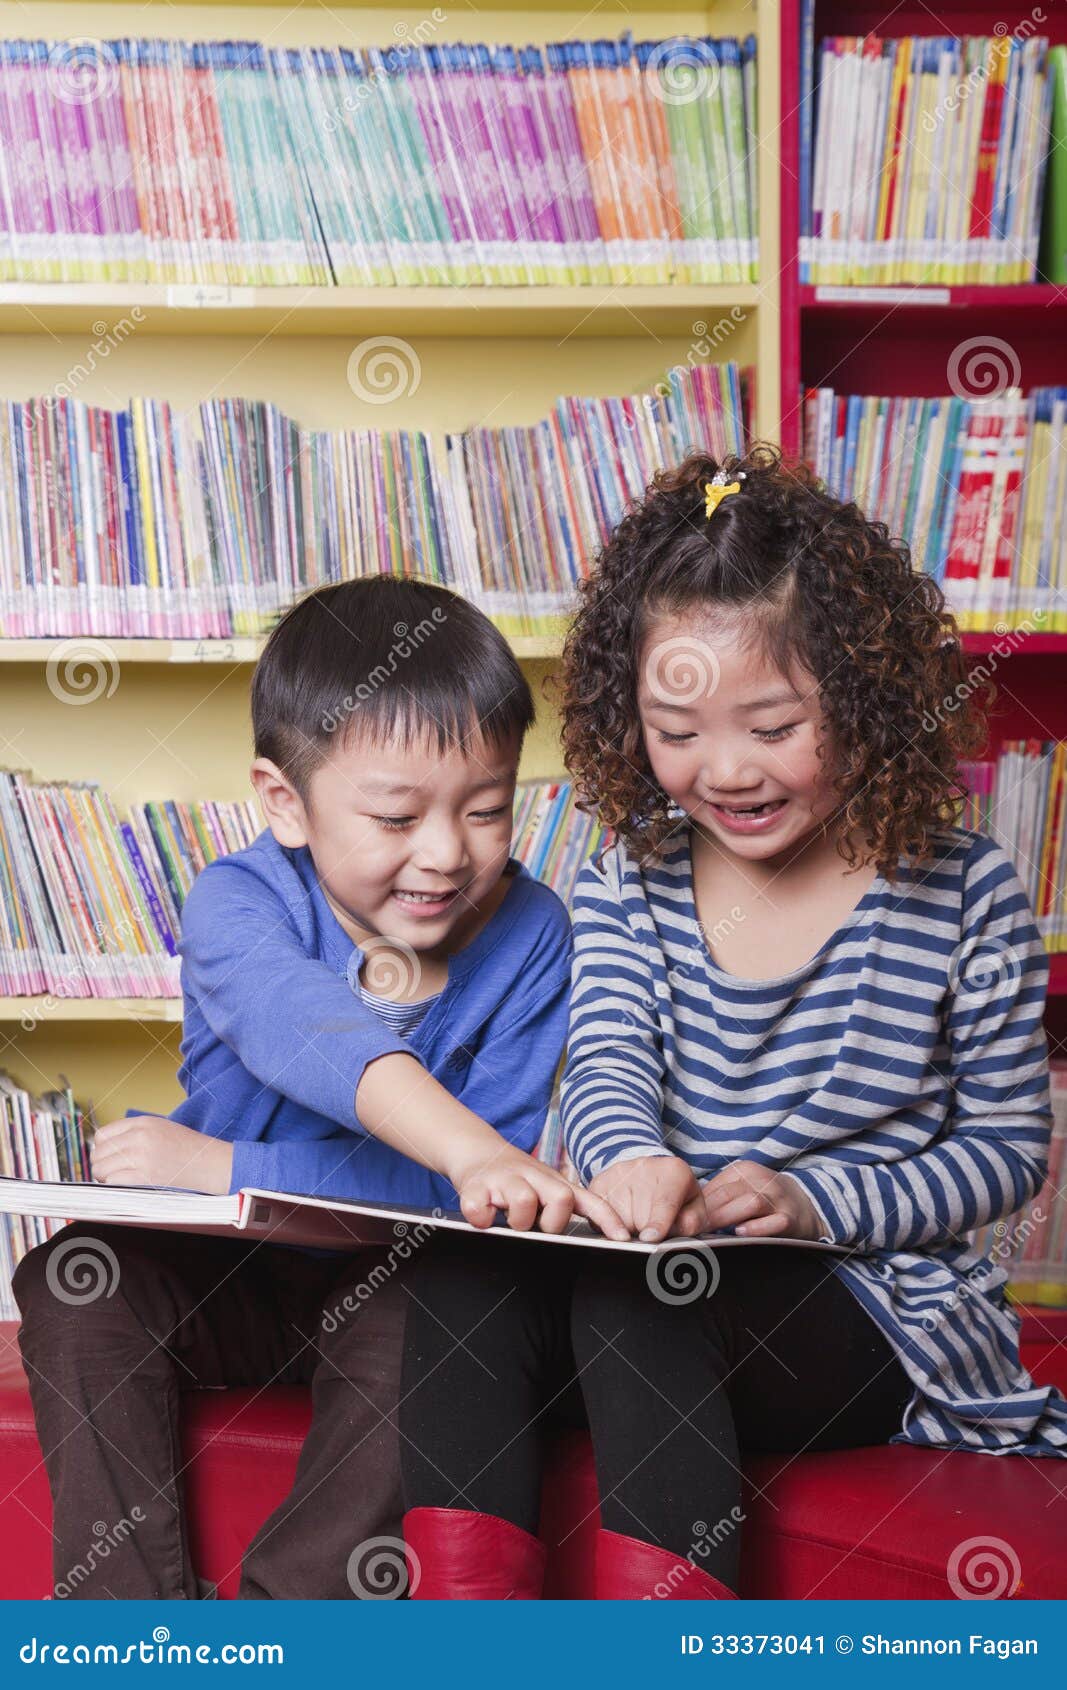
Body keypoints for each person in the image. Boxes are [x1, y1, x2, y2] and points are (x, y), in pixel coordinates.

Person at [398, 444, 1066, 1602]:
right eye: (677, 730)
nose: (724, 770)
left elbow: (1004, 1150)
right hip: (659, 1270)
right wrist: (630, 1156)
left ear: (861, 699)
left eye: (770, 725)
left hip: (872, 1304)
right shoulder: (629, 880)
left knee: (642, 1296)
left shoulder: (964, 889)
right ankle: (463, 1650)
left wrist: (814, 1201)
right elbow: (606, 1057)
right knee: (459, 1279)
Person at [13, 577, 625, 1601]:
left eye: (485, 809)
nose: (445, 853)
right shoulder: (236, 901)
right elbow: (310, 1032)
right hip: (219, 1268)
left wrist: (228, 1164)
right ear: (284, 802)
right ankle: (124, 1627)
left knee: (436, 1322)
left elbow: (465, 1199)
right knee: (72, 1282)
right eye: (395, 816)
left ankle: (282, 1630)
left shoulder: (533, 934)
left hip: (388, 1272)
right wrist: (460, 1144)